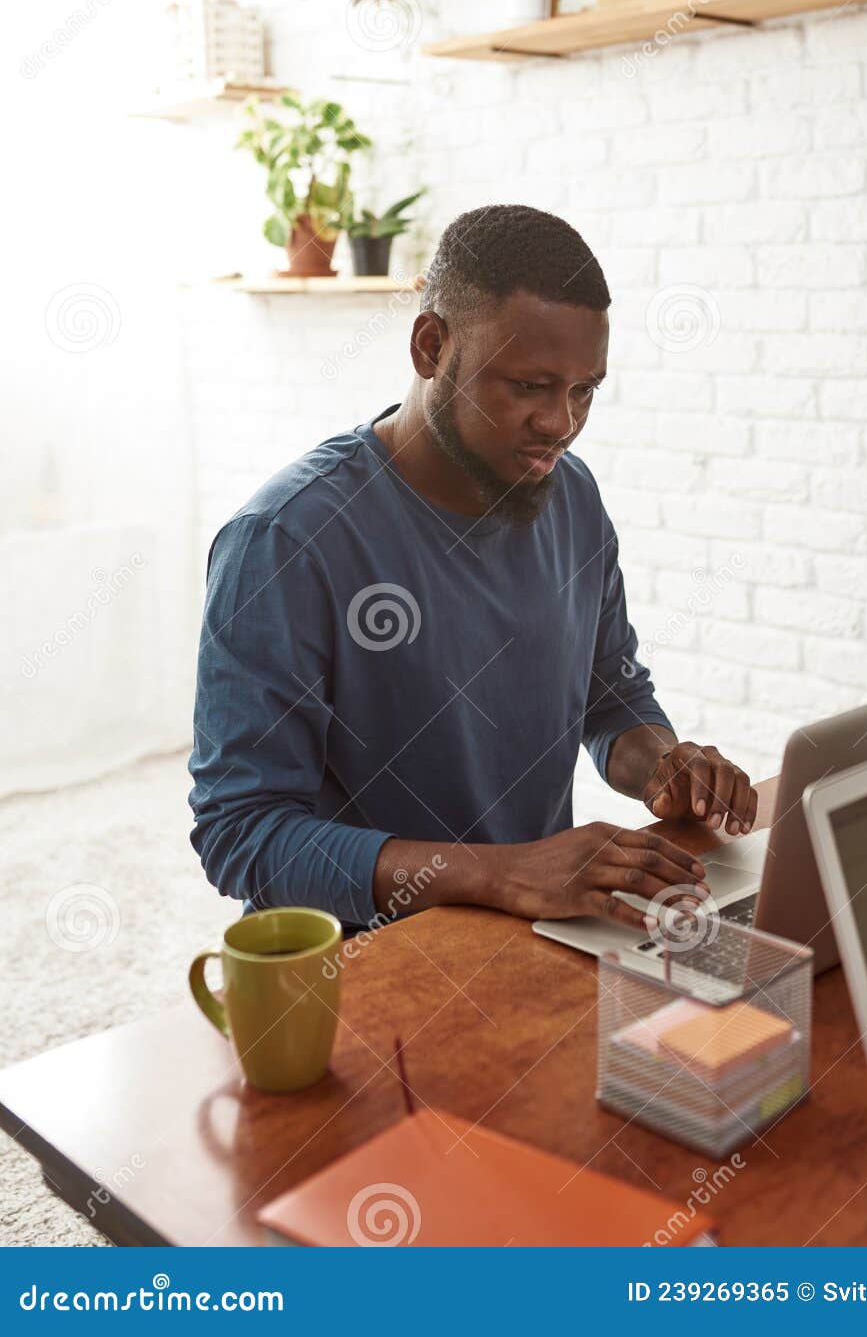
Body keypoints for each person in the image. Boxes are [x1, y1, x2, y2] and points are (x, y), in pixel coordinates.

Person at [188, 204, 756, 936]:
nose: (561, 422)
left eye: (584, 390)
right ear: (431, 346)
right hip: (371, 969)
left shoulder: (572, 496)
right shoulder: (285, 541)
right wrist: (501, 873)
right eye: (529, 386)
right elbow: (243, 833)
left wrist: (663, 768)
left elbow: (610, 698)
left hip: (544, 938)